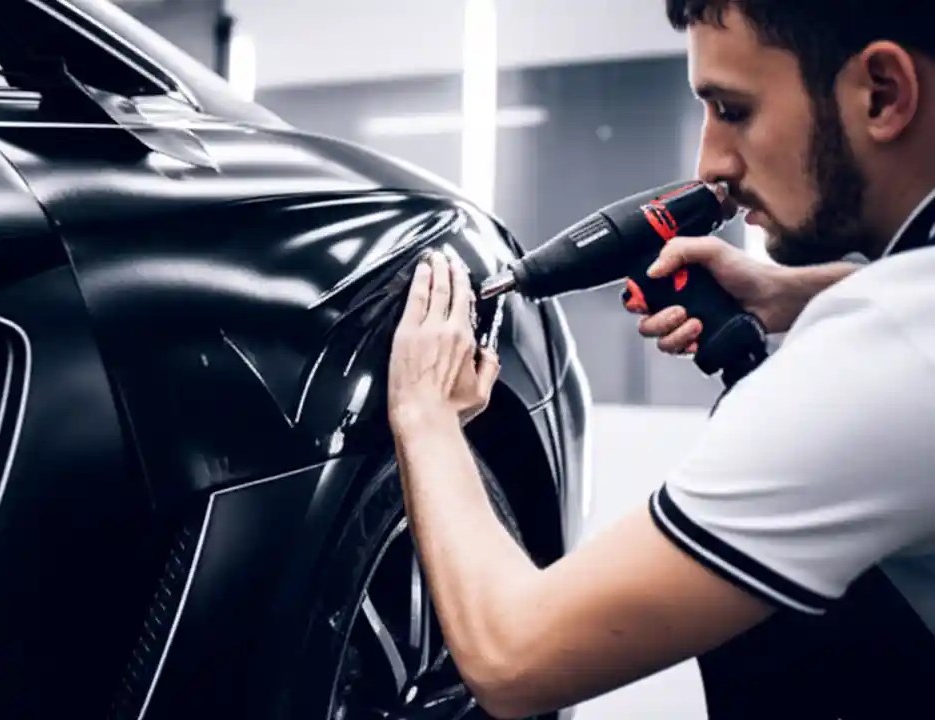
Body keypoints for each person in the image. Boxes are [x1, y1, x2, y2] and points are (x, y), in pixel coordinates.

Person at [385, 2, 935, 718]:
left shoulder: (882, 359)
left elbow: (509, 653)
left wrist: (425, 415)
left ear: (882, 93)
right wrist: (790, 293)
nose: (712, 165)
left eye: (733, 109)